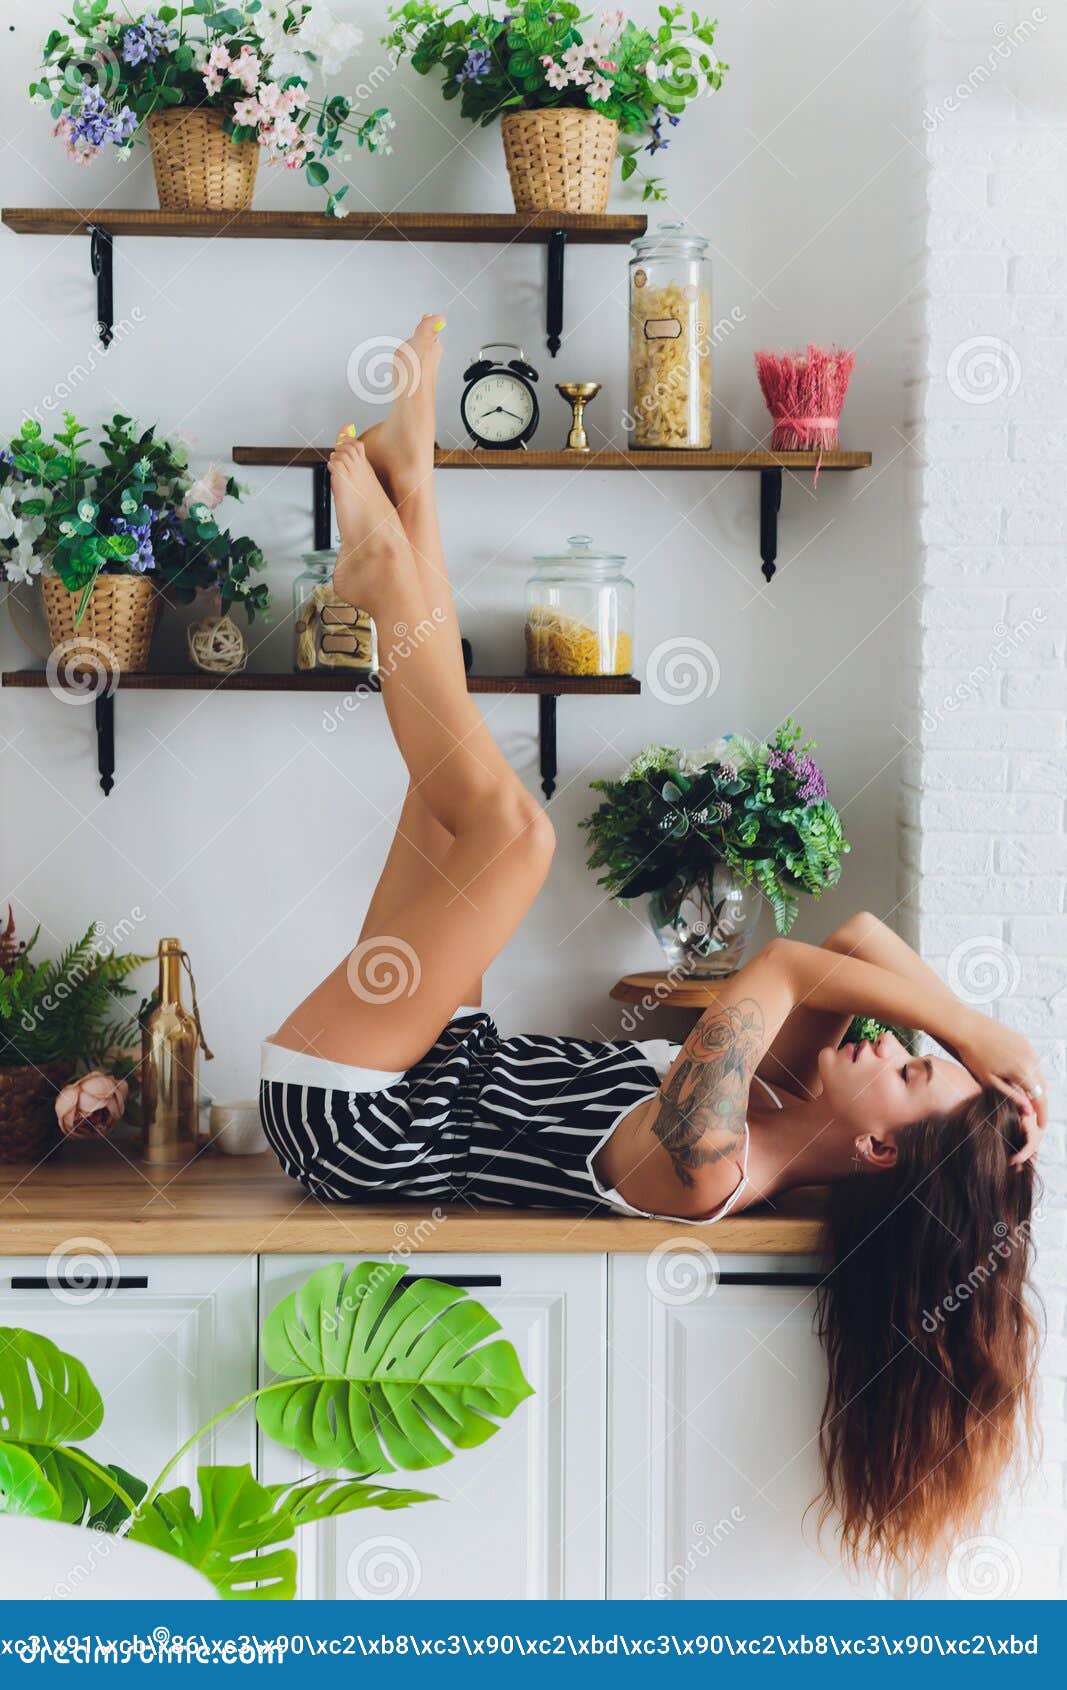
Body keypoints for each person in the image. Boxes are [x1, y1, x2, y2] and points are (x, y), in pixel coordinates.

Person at [259, 317, 1045, 1574]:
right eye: (916, 1044)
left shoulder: (712, 1167)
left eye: (904, 1068)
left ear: (879, 1143)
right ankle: (415, 504)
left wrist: (975, 1036)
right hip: (447, 1063)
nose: (898, 1036)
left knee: (511, 832)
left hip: (364, 1122)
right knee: (454, 799)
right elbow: (854, 936)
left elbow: (783, 963)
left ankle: (379, 575)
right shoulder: (793, 1094)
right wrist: (965, 1048)